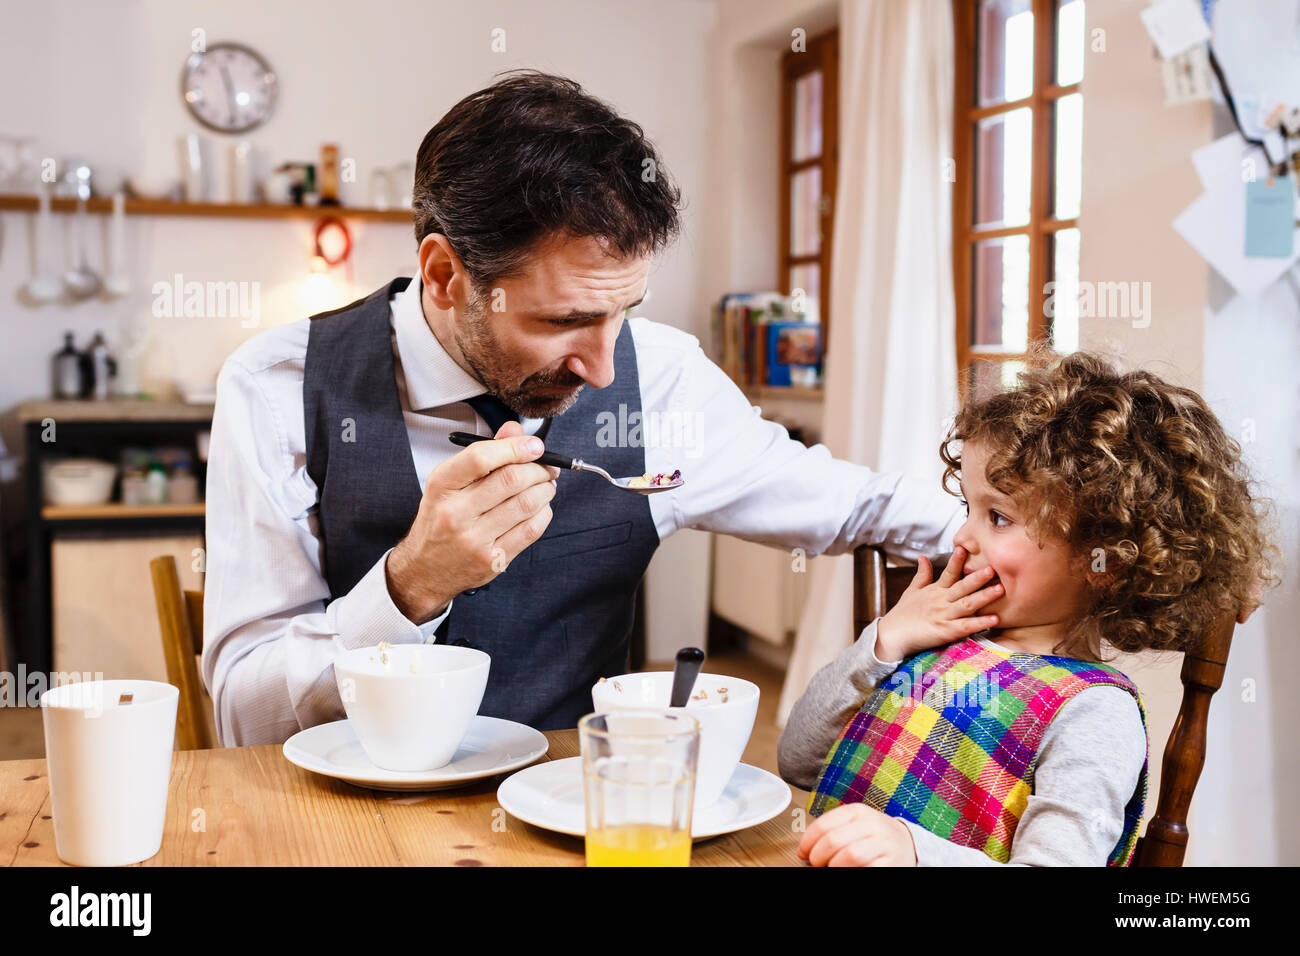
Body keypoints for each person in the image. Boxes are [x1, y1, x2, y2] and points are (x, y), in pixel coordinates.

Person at [201, 69, 964, 747]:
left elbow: (864, 507)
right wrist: (409, 585)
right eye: (564, 321)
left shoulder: (662, 380)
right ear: (443, 275)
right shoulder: (277, 389)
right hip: (341, 826)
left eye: (622, 312)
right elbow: (242, 717)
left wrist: (1056, 544)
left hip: (583, 819)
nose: (602, 369)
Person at [779, 351, 1274, 866]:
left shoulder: (1094, 713)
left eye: (997, 516)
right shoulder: (934, 637)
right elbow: (797, 760)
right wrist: (885, 642)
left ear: (1101, 559)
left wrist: (915, 853)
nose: (962, 535)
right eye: (968, 507)